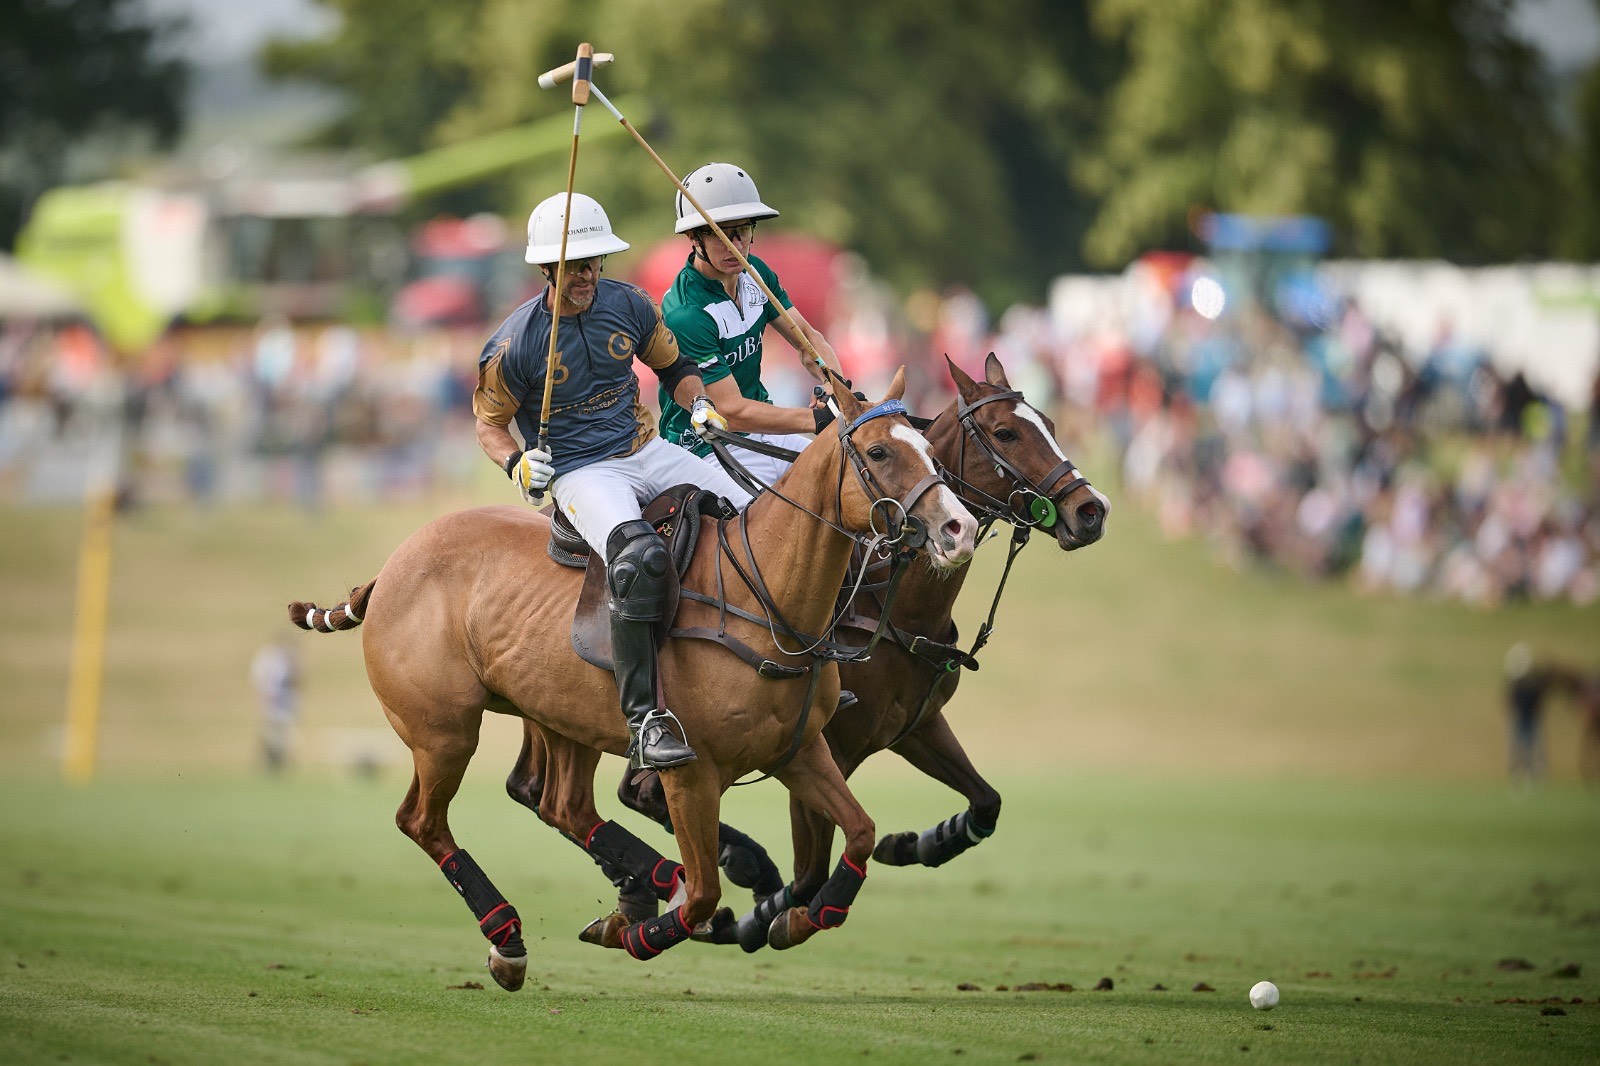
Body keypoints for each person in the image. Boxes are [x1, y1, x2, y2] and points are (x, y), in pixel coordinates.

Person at [472, 191, 754, 770]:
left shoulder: (628, 305)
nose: (587, 275)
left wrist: (697, 405)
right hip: (582, 472)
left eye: (594, 262)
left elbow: (676, 369)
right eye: (575, 265)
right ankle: (645, 718)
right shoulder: (514, 343)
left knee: (754, 514)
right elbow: (488, 423)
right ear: (547, 268)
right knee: (638, 560)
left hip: (645, 448)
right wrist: (516, 463)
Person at [658, 162, 846, 488]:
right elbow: (731, 411)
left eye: (742, 230)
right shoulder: (686, 313)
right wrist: (815, 420)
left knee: (851, 484)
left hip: (764, 431)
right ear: (693, 237)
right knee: (774, 530)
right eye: (720, 234)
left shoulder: (755, 274)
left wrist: (836, 388)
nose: (735, 244)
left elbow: (808, 342)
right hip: (706, 446)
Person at [250, 637, 300, 772]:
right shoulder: (269, 660)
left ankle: (281, 764)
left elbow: (296, 684)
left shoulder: (290, 661)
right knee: (270, 735)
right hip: (273, 704)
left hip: (286, 705)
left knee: (284, 736)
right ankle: (266, 763)